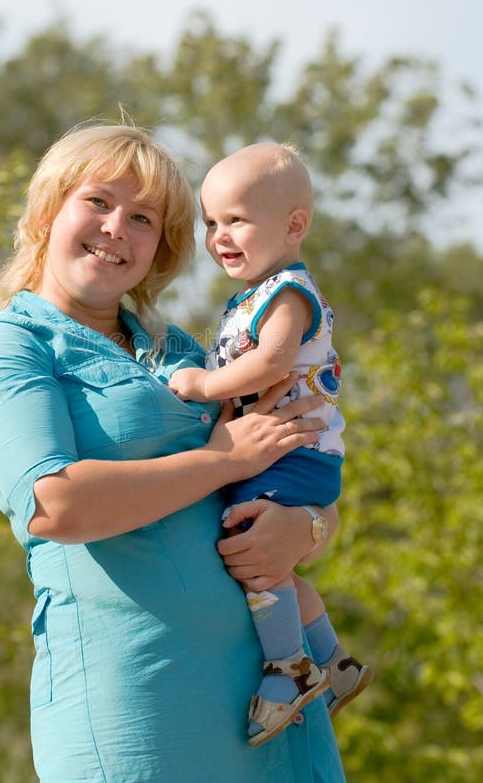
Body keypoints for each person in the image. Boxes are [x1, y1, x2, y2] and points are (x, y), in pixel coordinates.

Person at [0, 124, 345, 782]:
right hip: (144, 713)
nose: (116, 227)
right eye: (97, 202)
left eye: (143, 217)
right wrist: (223, 461)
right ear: (48, 212)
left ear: (159, 246)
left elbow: (297, 457)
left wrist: (306, 528)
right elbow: (56, 504)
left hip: (276, 705)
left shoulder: (188, 353)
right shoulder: (7, 346)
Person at [169, 142, 374, 747]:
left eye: (235, 220)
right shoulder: (252, 296)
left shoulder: (289, 293)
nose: (219, 235)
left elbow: (274, 359)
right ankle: (335, 664)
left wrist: (206, 384)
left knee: (251, 549)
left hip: (294, 452)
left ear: (294, 225)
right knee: (272, 566)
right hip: (282, 449)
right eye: (210, 222)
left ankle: (289, 667)